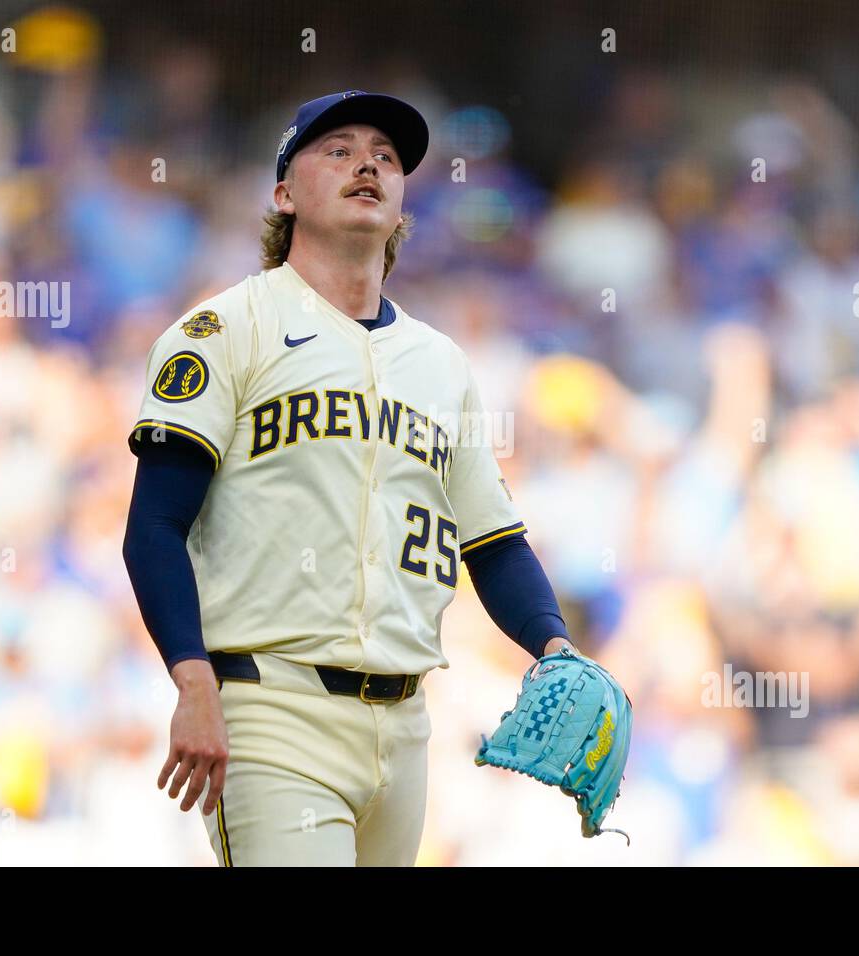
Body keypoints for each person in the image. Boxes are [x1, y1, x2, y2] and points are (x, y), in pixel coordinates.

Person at [122, 90, 575, 866]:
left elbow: (494, 543)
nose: (368, 162)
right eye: (338, 149)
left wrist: (555, 645)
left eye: (387, 157)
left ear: (401, 208)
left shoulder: (441, 364)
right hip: (270, 709)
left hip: (404, 728)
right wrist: (194, 684)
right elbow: (153, 527)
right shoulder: (225, 329)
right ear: (283, 193)